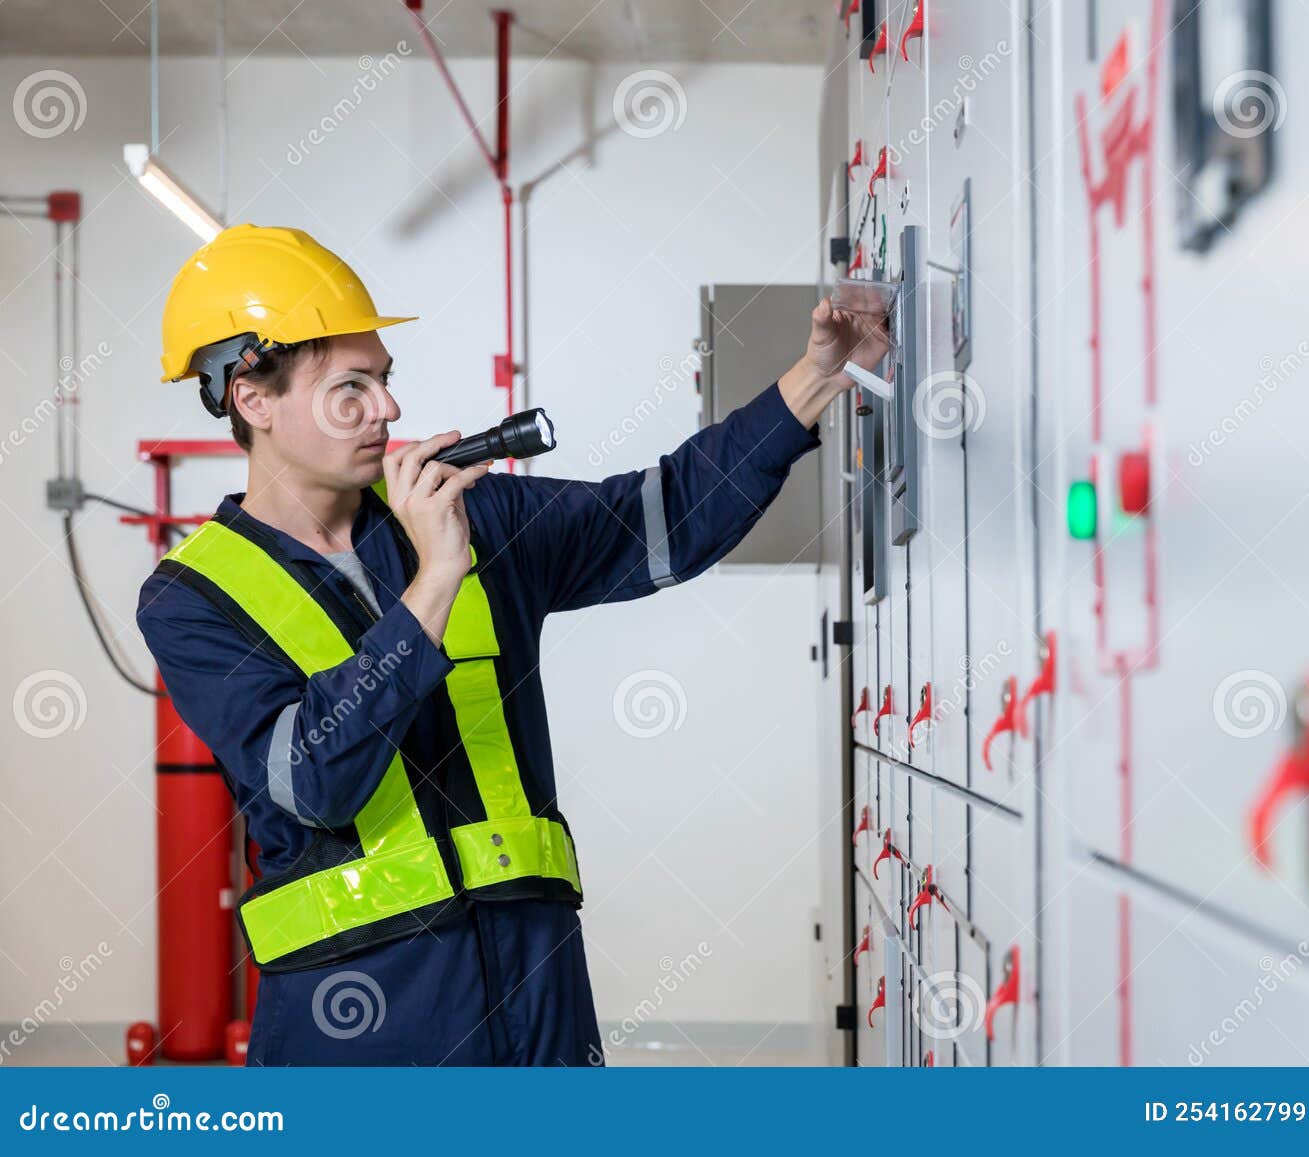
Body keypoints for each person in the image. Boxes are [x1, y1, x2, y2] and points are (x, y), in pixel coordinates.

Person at [135, 224, 888, 1065]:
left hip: (537, 989)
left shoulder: (473, 514)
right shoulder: (190, 599)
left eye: (384, 381)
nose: (386, 408)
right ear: (252, 397)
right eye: (351, 387)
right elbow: (312, 778)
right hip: (357, 1017)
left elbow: (666, 514)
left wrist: (819, 375)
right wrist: (433, 581)